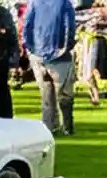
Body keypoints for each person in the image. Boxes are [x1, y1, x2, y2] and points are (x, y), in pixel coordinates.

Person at [22, 0, 77, 134]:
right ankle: (67, 126)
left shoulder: (34, 3)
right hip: (59, 55)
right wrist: (65, 48)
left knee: (46, 93)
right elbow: (69, 27)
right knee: (65, 93)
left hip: (38, 54)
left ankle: (49, 126)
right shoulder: (64, 3)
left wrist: (31, 49)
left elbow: (26, 26)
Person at [78, 0, 107, 106]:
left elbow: (79, 20)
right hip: (95, 42)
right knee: (90, 71)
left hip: (92, 43)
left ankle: (96, 96)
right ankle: (94, 95)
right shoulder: (104, 16)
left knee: (89, 71)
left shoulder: (92, 15)